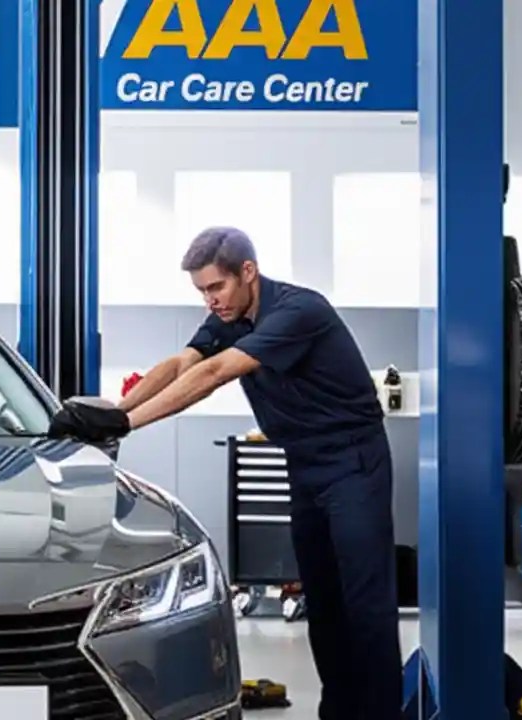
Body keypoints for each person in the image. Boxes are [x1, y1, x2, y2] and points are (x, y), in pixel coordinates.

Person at [48, 227, 402, 720]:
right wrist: (116, 412)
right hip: (304, 467)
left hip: (353, 465)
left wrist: (127, 422)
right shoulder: (228, 317)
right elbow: (183, 364)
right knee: (323, 603)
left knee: (366, 606)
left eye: (216, 287)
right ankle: (340, 712)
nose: (209, 300)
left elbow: (215, 375)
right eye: (201, 291)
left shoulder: (299, 312)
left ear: (248, 273)